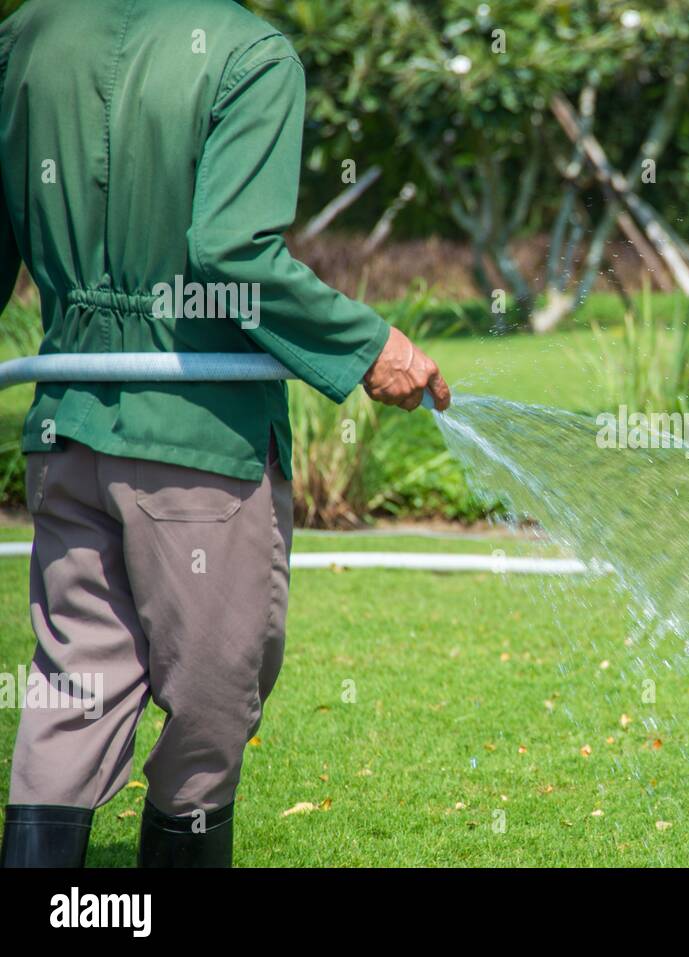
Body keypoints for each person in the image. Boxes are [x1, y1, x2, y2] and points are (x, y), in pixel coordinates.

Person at [0, 0, 450, 867]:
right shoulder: (248, 53)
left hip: (67, 433)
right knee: (210, 711)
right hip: (198, 449)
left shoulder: (26, 38)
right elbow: (233, 256)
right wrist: (367, 346)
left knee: (68, 699)